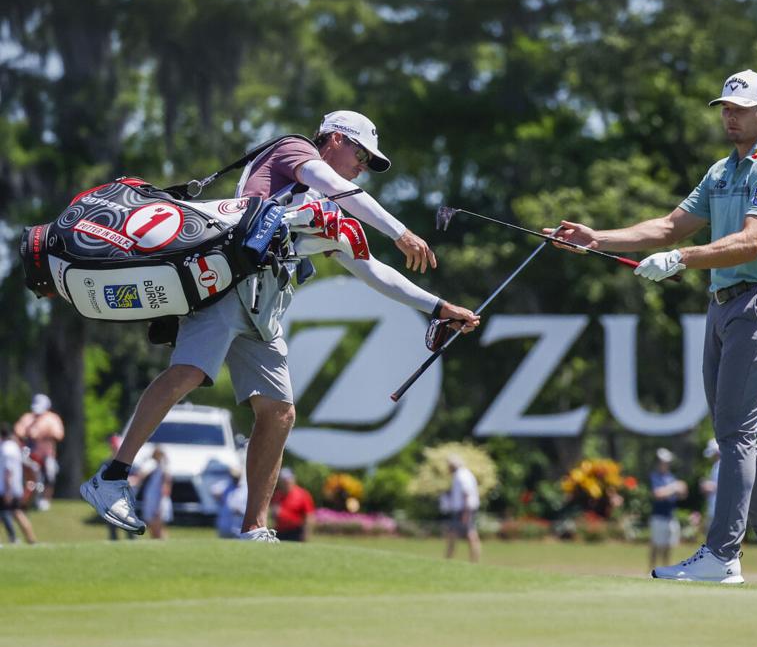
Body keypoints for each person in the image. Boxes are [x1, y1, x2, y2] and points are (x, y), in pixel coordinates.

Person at [82, 110, 481, 542]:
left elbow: (370, 269)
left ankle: (254, 528)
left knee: (279, 412)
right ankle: (112, 476)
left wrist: (438, 306)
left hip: (266, 309)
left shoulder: (329, 212)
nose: (363, 165)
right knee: (189, 373)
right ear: (334, 140)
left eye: (369, 161)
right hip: (227, 285)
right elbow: (339, 187)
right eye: (360, 153)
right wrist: (400, 231)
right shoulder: (295, 151)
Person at [549, 70, 757, 585]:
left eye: (740, 109)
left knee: (735, 434)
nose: (730, 117)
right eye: (725, 109)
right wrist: (598, 237)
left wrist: (680, 260)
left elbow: (753, 241)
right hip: (723, 307)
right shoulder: (721, 172)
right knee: (737, 434)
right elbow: (668, 226)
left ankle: (722, 555)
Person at [15, 393, 65, 510]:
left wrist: (44, 434)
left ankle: (45, 500)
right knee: (28, 477)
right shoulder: (27, 418)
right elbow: (18, 431)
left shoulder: (52, 418)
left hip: (46, 454)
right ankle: (26, 499)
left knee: (49, 474)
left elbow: (59, 435)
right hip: (29, 455)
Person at [648, 447, 687, 570]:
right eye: (662, 462)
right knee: (656, 545)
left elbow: (682, 495)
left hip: (670, 516)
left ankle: (665, 570)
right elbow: (658, 494)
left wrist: (682, 489)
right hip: (658, 516)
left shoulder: (671, 477)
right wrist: (674, 488)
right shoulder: (654, 476)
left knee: (668, 546)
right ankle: (651, 569)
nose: (665, 464)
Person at [0, 422, 37, 544]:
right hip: (14, 487)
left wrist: (8, 490)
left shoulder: (6, 449)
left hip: (7, 488)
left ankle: (14, 538)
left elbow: (8, 471)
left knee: (11, 512)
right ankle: (31, 539)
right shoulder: (15, 447)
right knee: (17, 512)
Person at [444, 454, 481, 563]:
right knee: (455, 533)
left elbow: (466, 494)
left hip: (464, 509)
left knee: (469, 533)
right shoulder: (462, 474)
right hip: (463, 509)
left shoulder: (462, 475)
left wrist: (466, 513)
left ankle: (473, 560)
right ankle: (449, 558)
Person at [270, 468, 314, 542]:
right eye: (283, 480)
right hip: (280, 532)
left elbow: (309, 517)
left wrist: (306, 534)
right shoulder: (277, 495)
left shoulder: (302, 494)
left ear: (293, 479)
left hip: (295, 532)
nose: (286, 482)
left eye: (288, 479)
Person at [138, 446, 173, 540]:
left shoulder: (164, 467)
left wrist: (161, 501)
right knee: (152, 525)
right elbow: (141, 475)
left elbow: (166, 484)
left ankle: (162, 542)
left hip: (158, 499)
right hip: (152, 498)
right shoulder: (154, 467)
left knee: (158, 525)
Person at [215, 465, 248, 539]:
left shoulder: (245, 488)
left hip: (238, 525)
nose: (234, 478)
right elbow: (214, 491)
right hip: (225, 525)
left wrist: (240, 510)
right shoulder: (226, 486)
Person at [700, 438, 721, 529]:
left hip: (720, 511)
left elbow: (729, 485)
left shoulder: (723, 464)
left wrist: (709, 486)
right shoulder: (716, 465)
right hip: (714, 510)